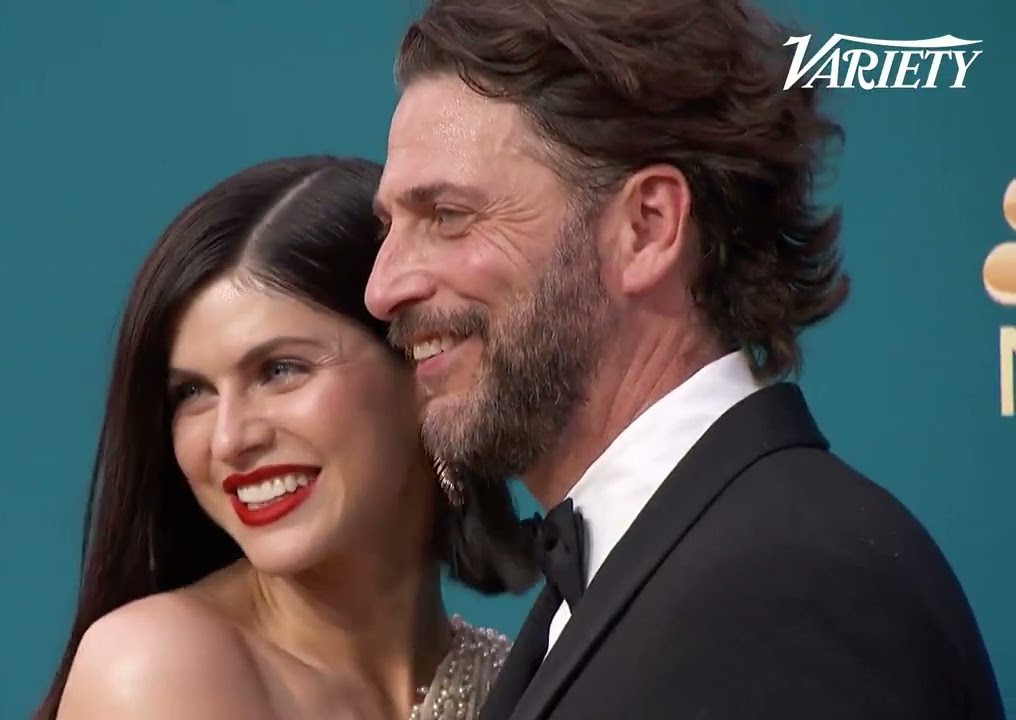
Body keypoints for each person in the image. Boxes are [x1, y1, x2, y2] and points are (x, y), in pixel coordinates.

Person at [363, 1, 1007, 719]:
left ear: (648, 227)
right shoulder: (645, 567)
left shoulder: (792, 585)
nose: (383, 288)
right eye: (390, 226)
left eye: (447, 216)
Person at [34, 155, 538, 720]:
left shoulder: (530, 683)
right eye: (193, 393)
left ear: (422, 366)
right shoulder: (153, 666)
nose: (228, 440)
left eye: (279, 371)